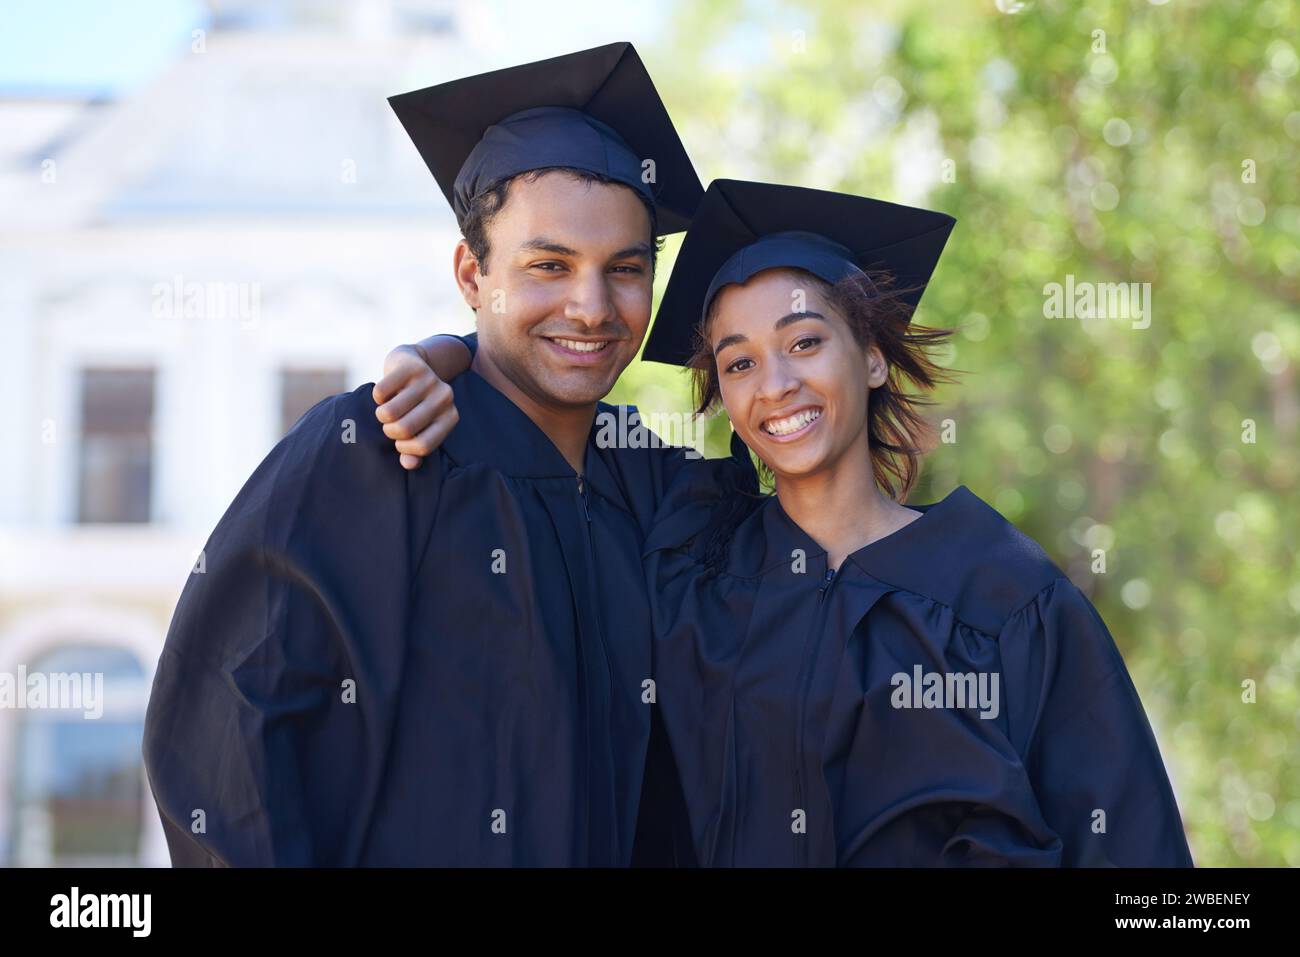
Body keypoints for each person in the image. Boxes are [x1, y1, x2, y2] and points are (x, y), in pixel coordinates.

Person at [384, 179, 1195, 867]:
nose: (775, 384)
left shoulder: (1008, 597)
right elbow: (542, 408)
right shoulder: (690, 552)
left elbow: (1134, 850)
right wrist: (441, 355)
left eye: (804, 341)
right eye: (738, 362)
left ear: (872, 357)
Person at [142, 42, 702, 866]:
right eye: (549, 265)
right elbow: (224, 739)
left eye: (624, 269)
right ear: (473, 276)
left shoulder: (659, 491)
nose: (591, 306)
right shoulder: (371, 453)